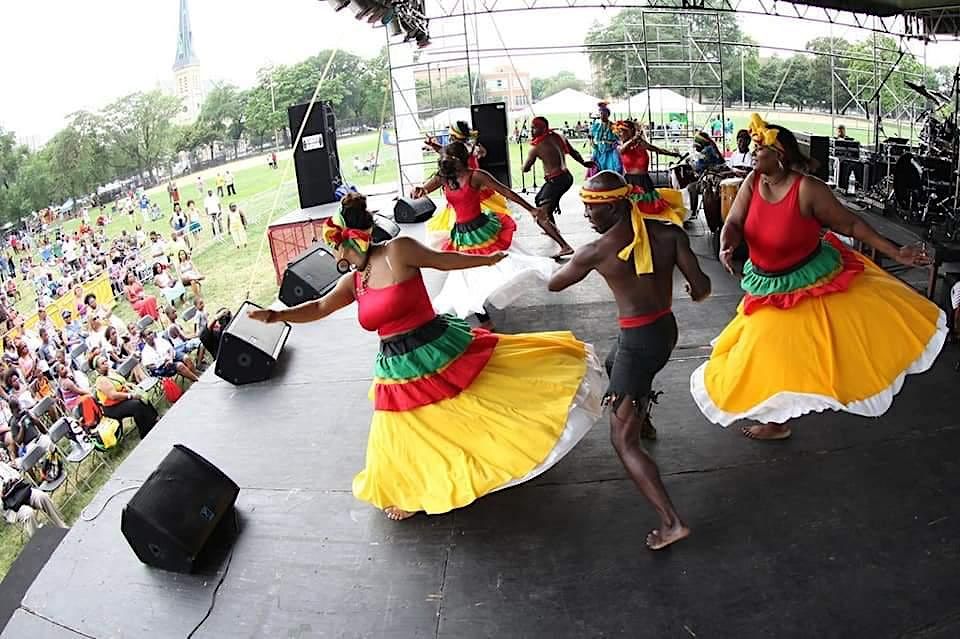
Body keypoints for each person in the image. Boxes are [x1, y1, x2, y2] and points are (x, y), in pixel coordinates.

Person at [248, 195, 603, 521]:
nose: (339, 258)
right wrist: (279, 315)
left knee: (471, 402)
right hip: (396, 364)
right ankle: (409, 488)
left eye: (340, 248)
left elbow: (442, 261)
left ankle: (484, 448)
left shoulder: (398, 251)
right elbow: (320, 306)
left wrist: (487, 258)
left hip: (433, 344)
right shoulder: (356, 281)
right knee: (396, 432)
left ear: (352, 240)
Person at [692, 114, 946, 440]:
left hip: (808, 281)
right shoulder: (753, 182)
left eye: (759, 149)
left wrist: (896, 253)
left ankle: (783, 417)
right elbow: (735, 222)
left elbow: (852, 225)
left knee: (805, 351)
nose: (752, 154)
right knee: (764, 350)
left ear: (780, 154)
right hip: (767, 284)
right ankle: (777, 420)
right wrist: (728, 243)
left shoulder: (807, 190)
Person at [548, 171, 709, 549]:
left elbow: (555, 284)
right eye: (585, 203)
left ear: (619, 204)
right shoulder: (670, 233)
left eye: (595, 205)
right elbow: (702, 290)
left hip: (639, 342)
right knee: (611, 362)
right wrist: (687, 284)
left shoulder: (597, 251)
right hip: (663, 332)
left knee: (623, 442)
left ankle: (672, 523)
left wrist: (573, 262)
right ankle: (644, 418)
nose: (586, 211)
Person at [410, 143, 554, 325]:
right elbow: (425, 188)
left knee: (497, 265)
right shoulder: (444, 177)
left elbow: (506, 192)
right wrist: (420, 189)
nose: (446, 164)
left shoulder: (476, 176)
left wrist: (531, 209)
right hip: (462, 235)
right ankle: (484, 317)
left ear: (462, 159)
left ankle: (486, 313)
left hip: (480, 230)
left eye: (450, 159)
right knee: (465, 274)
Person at [522, 116, 593, 259]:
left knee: (540, 215)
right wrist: (584, 163)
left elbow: (525, 168)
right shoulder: (559, 137)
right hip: (566, 177)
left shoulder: (536, 147)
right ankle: (553, 229)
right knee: (540, 200)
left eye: (534, 127)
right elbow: (574, 153)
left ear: (542, 128)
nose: (531, 130)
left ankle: (565, 246)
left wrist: (525, 165)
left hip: (556, 180)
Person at [93, 356, 158, 438]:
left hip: (121, 399)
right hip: (112, 407)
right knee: (136, 405)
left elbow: (122, 382)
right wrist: (130, 395)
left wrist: (130, 385)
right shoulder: (101, 380)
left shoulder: (111, 372)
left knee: (142, 396)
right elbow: (113, 395)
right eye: (103, 363)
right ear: (98, 369)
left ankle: (155, 419)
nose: (106, 364)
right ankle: (145, 432)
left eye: (106, 361)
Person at [1, 459, 68, 538]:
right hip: (10, 508)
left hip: (22, 493)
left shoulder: (1, 465)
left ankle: (62, 527)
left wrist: (11, 481)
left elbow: (17, 476)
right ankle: (39, 544)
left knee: (43, 497)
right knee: (28, 513)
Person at [614, 119, 681, 192]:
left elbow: (658, 150)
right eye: (619, 132)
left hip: (644, 182)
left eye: (623, 131)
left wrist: (673, 154)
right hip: (630, 182)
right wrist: (633, 139)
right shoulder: (619, 145)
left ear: (631, 131)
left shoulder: (641, 144)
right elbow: (621, 150)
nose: (620, 134)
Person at [589, 102, 622, 174]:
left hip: (610, 153)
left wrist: (610, 143)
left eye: (604, 114)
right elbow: (593, 140)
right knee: (596, 170)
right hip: (598, 152)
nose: (602, 116)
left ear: (608, 114)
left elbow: (619, 140)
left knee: (612, 171)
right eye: (601, 114)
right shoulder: (596, 126)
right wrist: (591, 141)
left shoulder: (613, 126)